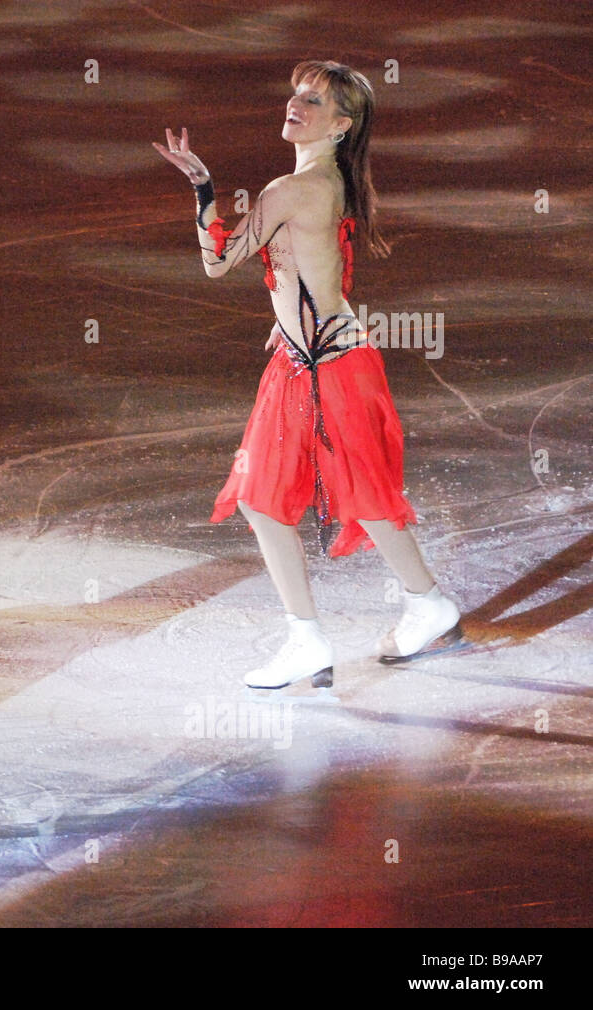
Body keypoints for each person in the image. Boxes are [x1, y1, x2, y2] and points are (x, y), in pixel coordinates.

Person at [153, 60, 461, 689]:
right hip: (315, 358)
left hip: (329, 367)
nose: (296, 105)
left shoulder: (288, 190)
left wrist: (203, 188)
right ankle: (367, 622)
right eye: (296, 94)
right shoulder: (331, 180)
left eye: (315, 102)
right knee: (277, 497)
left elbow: (218, 262)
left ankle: (389, 616)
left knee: (349, 498)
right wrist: (292, 320)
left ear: (342, 125)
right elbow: (328, 268)